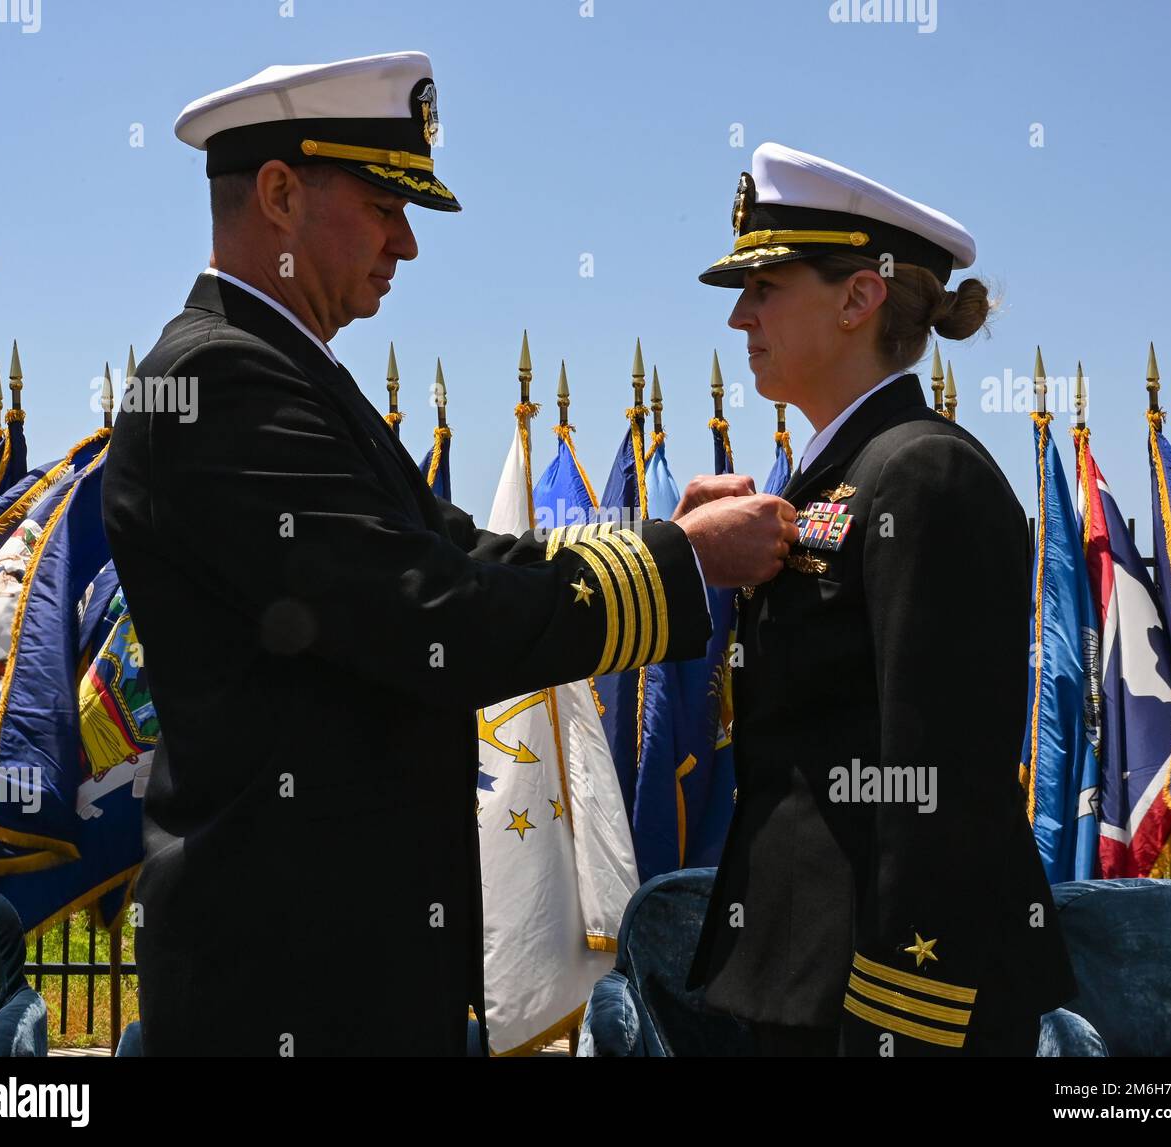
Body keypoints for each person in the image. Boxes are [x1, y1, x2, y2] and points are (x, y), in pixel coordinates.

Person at [101, 52, 797, 1057]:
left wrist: (659, 536)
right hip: (286, 985)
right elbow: (432, 615)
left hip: (333, 964)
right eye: (387, 202)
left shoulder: (280, 369)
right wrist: (679, 566)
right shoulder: (223, 381)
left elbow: (460, 549)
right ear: (280, 193)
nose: (407, 243)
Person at [683, 143, 1077, 1056]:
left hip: (884, 1000)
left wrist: (904, 1012)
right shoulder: (845, 475)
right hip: (806, 979)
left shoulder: (924, 474)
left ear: (859, 298)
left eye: (765, 286)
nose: (740, 315)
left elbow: (940, 777)